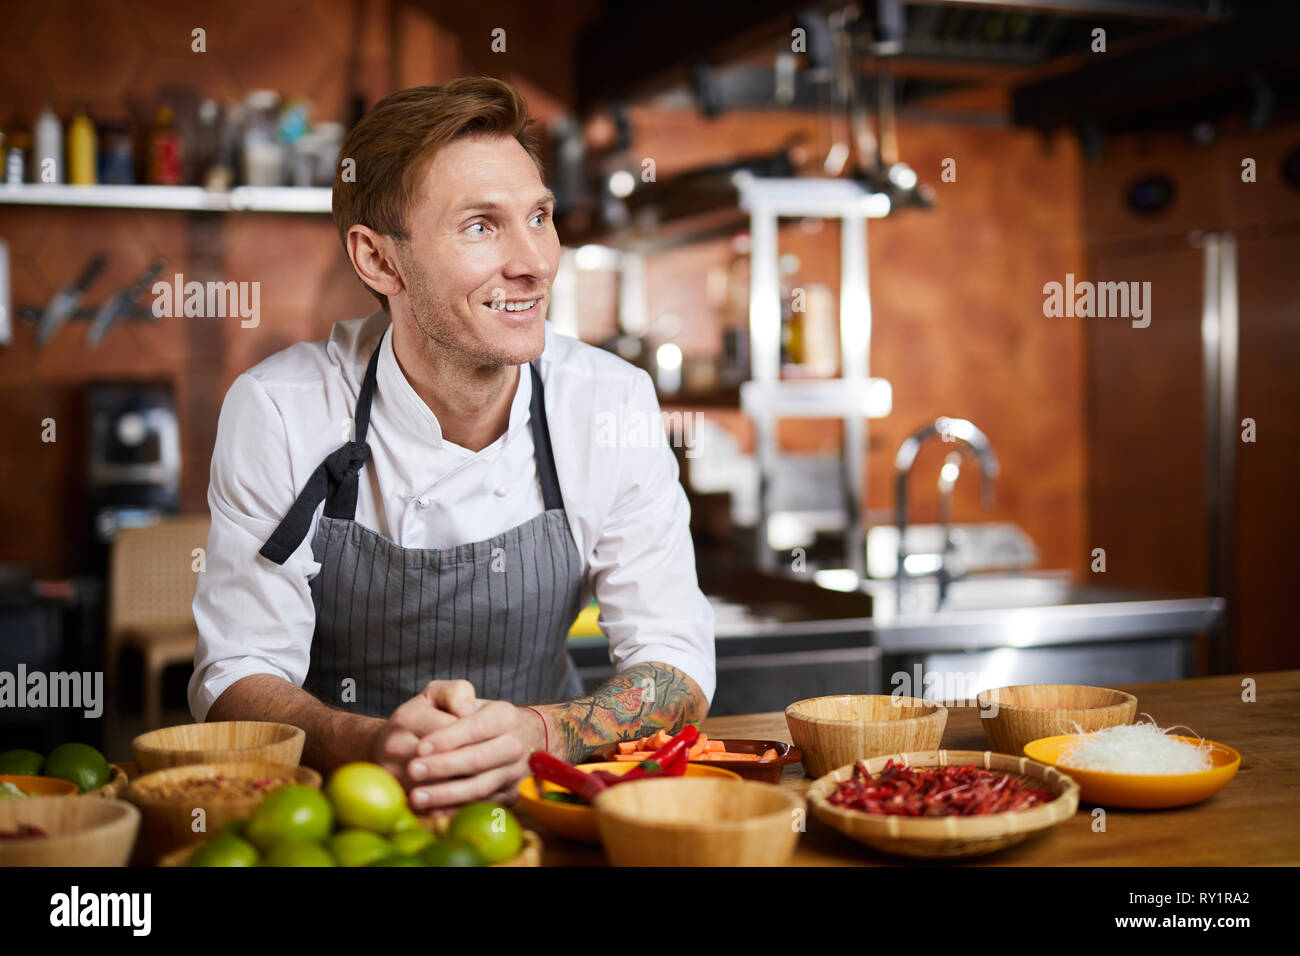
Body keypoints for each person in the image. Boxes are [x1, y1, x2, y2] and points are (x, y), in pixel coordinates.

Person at [189, 78, 715, 810]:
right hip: (341, 815)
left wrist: (541, 731)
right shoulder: (282, 409)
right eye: (480, 226)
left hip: (545, 802)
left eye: (539, 216)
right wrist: (373, 745)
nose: (534, 261)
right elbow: (234, 675)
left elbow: (676, 663)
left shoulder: (609, 402)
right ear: (379, 262)